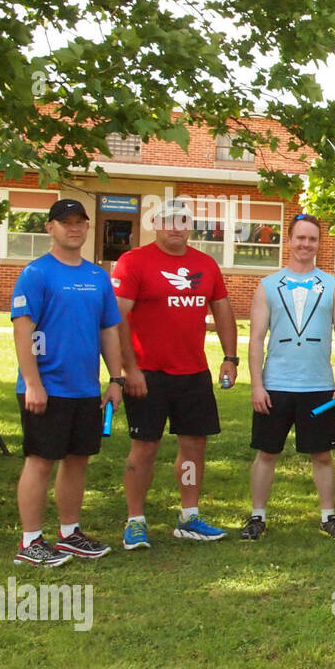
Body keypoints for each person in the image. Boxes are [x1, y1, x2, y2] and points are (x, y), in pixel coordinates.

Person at [113, 202, 238, 548]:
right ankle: (135, 520)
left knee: (194, 447)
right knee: (145, 447)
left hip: (193, 373)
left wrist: (230, 358)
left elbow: (223, 309)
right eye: (168, 221)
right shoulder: (134, 262)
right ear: (155, 224)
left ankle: (189, 516)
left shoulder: (205, 264)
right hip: (147, 374)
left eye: (183, 222)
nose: (176, 228)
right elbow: (118, 319)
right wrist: (129, 370)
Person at [11, 199, 124, 565]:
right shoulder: (36, 273)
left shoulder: (97, 277)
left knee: (77, 461)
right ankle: (30, 542)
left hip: (85, 389)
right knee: (40, 460)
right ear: (50, 228)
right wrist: (32, 382)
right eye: (65, 222)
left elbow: (109, 331)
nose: (73, 228)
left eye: (80, 222)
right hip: (46, 387)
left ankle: (69, 533)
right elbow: (22, 330)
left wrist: (116, 379)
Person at [241, 214, 335, 541]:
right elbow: (256, 339)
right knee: (267, 453)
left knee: (322, 454)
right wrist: (257, 385)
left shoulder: (333, 286)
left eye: (312, 239)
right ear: (289, 241)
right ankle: (257, 517)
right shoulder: (268, 286)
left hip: (318, 386)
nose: (306, 244)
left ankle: (328, 516)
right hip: (276, 385)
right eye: (300, 238)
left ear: (320, 243)